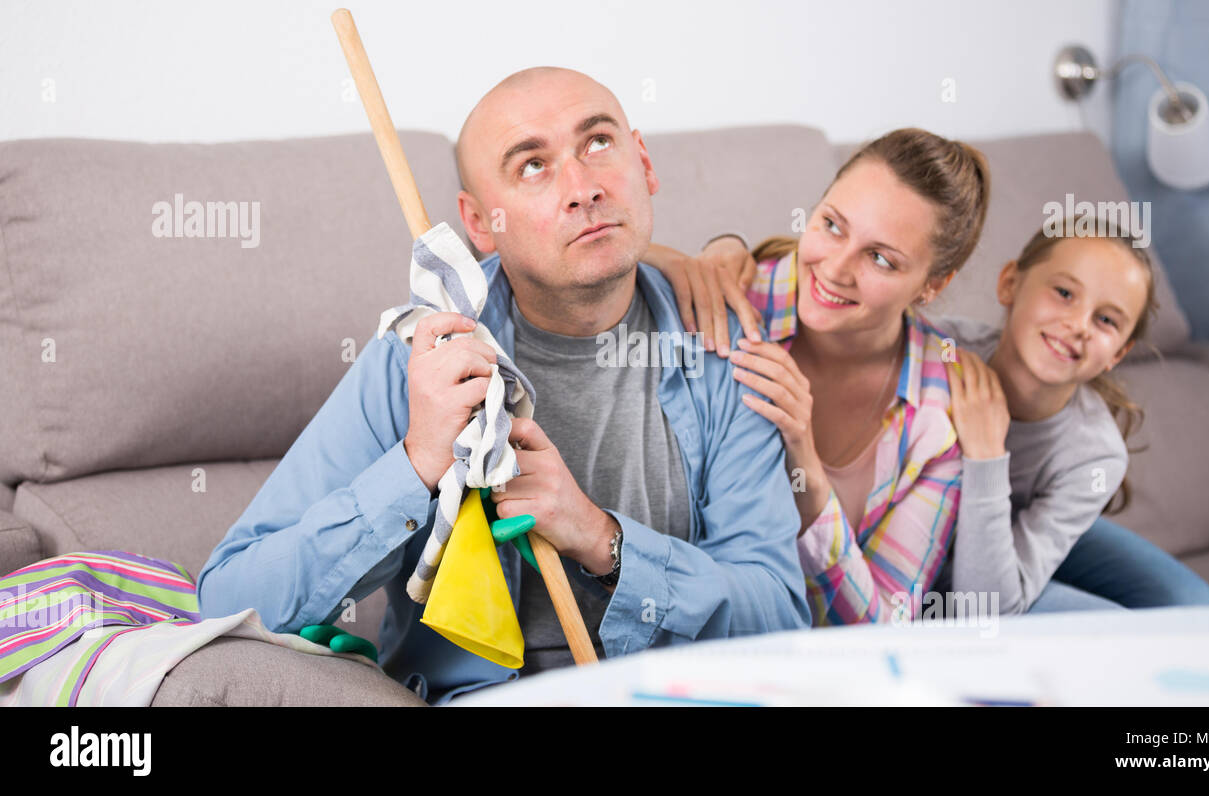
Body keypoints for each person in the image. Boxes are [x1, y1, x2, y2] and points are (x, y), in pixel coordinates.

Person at [196, 67, 810, 705]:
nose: (582, 189)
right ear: (479, 223)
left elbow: (780, 620)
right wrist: (416, 465)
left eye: (598, 143)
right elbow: (231, 599)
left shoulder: (722, 352)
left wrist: (603, 540)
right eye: (533, 166)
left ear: (644, 164)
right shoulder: (420, 360)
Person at [646, 128, 991, 625]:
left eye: (880, 258)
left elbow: (882, 628)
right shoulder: (731, 302)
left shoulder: (936, 412)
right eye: (832, 225)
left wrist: (803, 457)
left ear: (932, 285)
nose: (835, 269)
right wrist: (668, 259)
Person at [935, 218, 1209, 612]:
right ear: (1010, 284)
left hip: (1026, 526)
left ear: (1119, 353)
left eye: (1106, 320)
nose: (1078, 326)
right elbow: (984, 606)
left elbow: (989, 598)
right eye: (1065, 292)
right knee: (1103, 623)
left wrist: (985, 455)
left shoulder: (1095, 455)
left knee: (1197, 608)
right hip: (938, 543)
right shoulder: (941, 349)